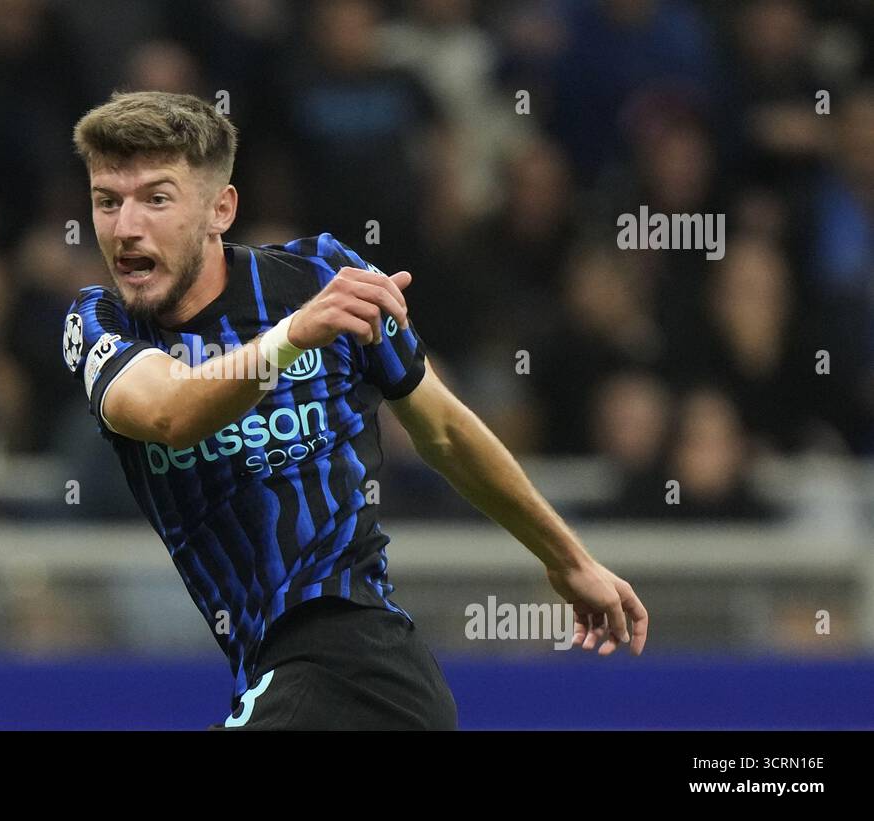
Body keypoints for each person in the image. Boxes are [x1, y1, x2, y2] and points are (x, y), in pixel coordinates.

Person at [62, 91, 649, 730]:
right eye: (107, 200)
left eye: (156, 198)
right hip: (278, 675)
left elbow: (446, 432)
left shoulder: (321, 278)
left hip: (359, 660)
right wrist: (291, 339)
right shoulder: (98, 325)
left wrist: (568, 559)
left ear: (219, 209)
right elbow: (170, 412)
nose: (125, 227)